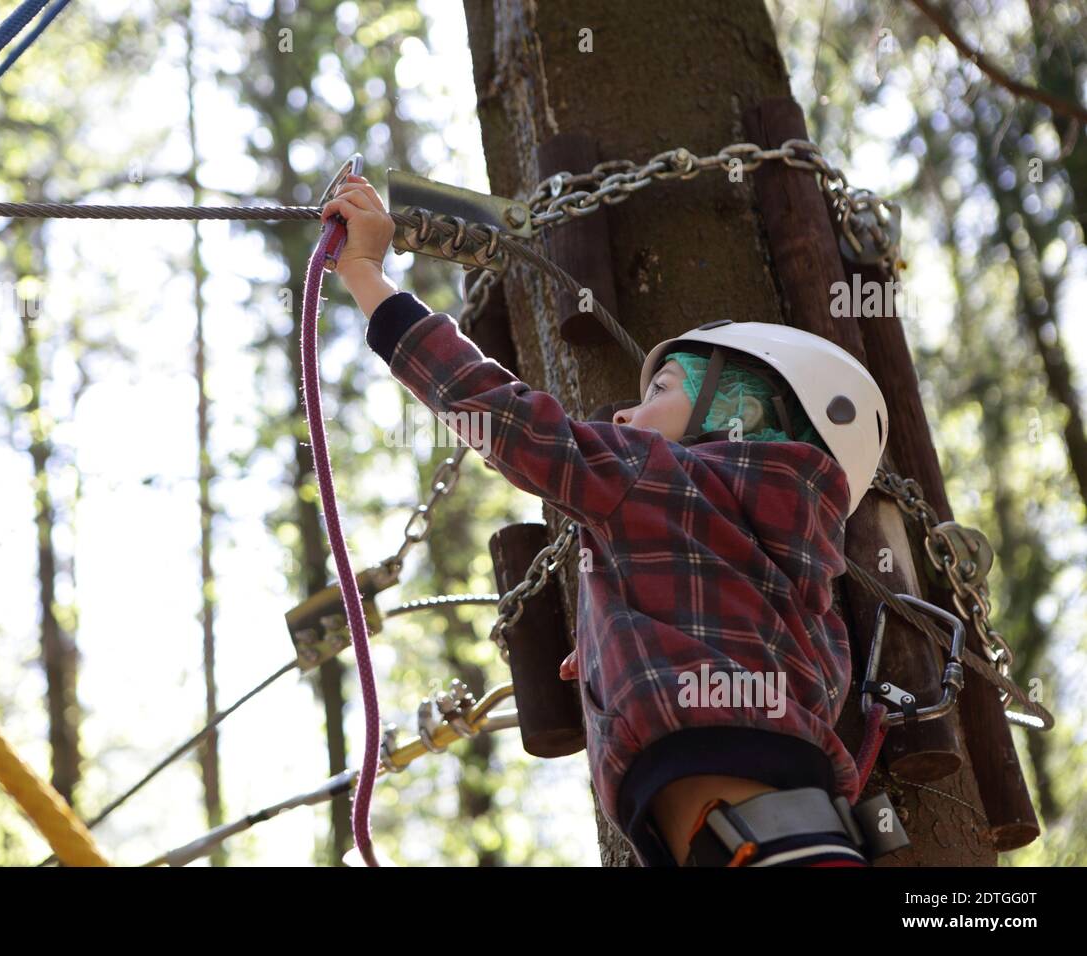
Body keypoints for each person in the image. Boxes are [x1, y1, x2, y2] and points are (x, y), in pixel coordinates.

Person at [322, 173, 891, 867]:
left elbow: (506, 418)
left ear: (737, 417)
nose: (624, 413)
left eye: (659, 390)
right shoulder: (811, 587)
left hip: (761, 843)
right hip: (794, 832)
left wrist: (366, 277)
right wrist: (613, 646)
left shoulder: (655, 474)